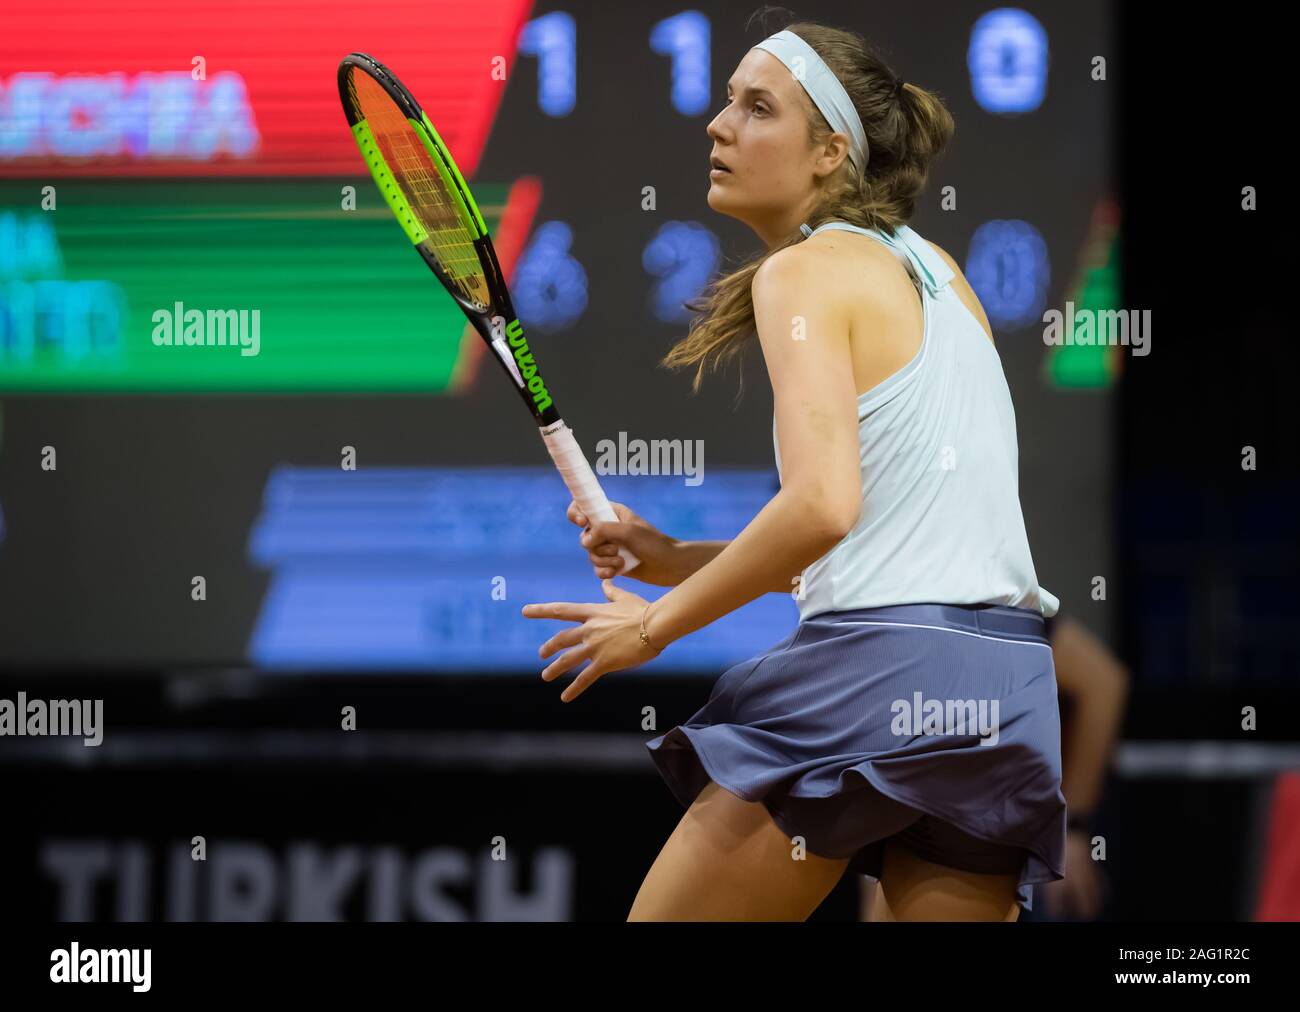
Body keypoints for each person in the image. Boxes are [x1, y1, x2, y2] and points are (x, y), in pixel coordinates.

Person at [521, 18, 1066, 921]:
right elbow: (897, 548)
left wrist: (655, 626)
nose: (718, 124)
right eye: (730, 99)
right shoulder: (939, 271)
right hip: (998, 690)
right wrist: (678, 557)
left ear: (828, 153)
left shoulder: (803, 276)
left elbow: (821, 506)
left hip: (873, 677)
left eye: (756, 106)